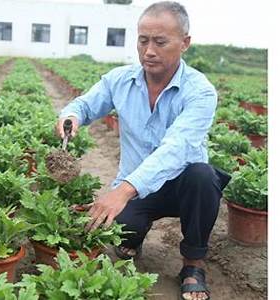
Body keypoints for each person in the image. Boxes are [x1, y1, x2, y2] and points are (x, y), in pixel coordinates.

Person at [56, 2, 230, 300]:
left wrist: (121, 192)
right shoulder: (120, 80)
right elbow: (84, 104)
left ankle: (193, 264)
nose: (149, 50)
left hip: (182, 185)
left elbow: (176, 149)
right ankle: (137, 234)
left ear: (184, 43)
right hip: (139, 187)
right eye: (143, 40)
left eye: (160, 42)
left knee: (203, 176)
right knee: (120, 229)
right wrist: (71, 115)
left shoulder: (200, 91)